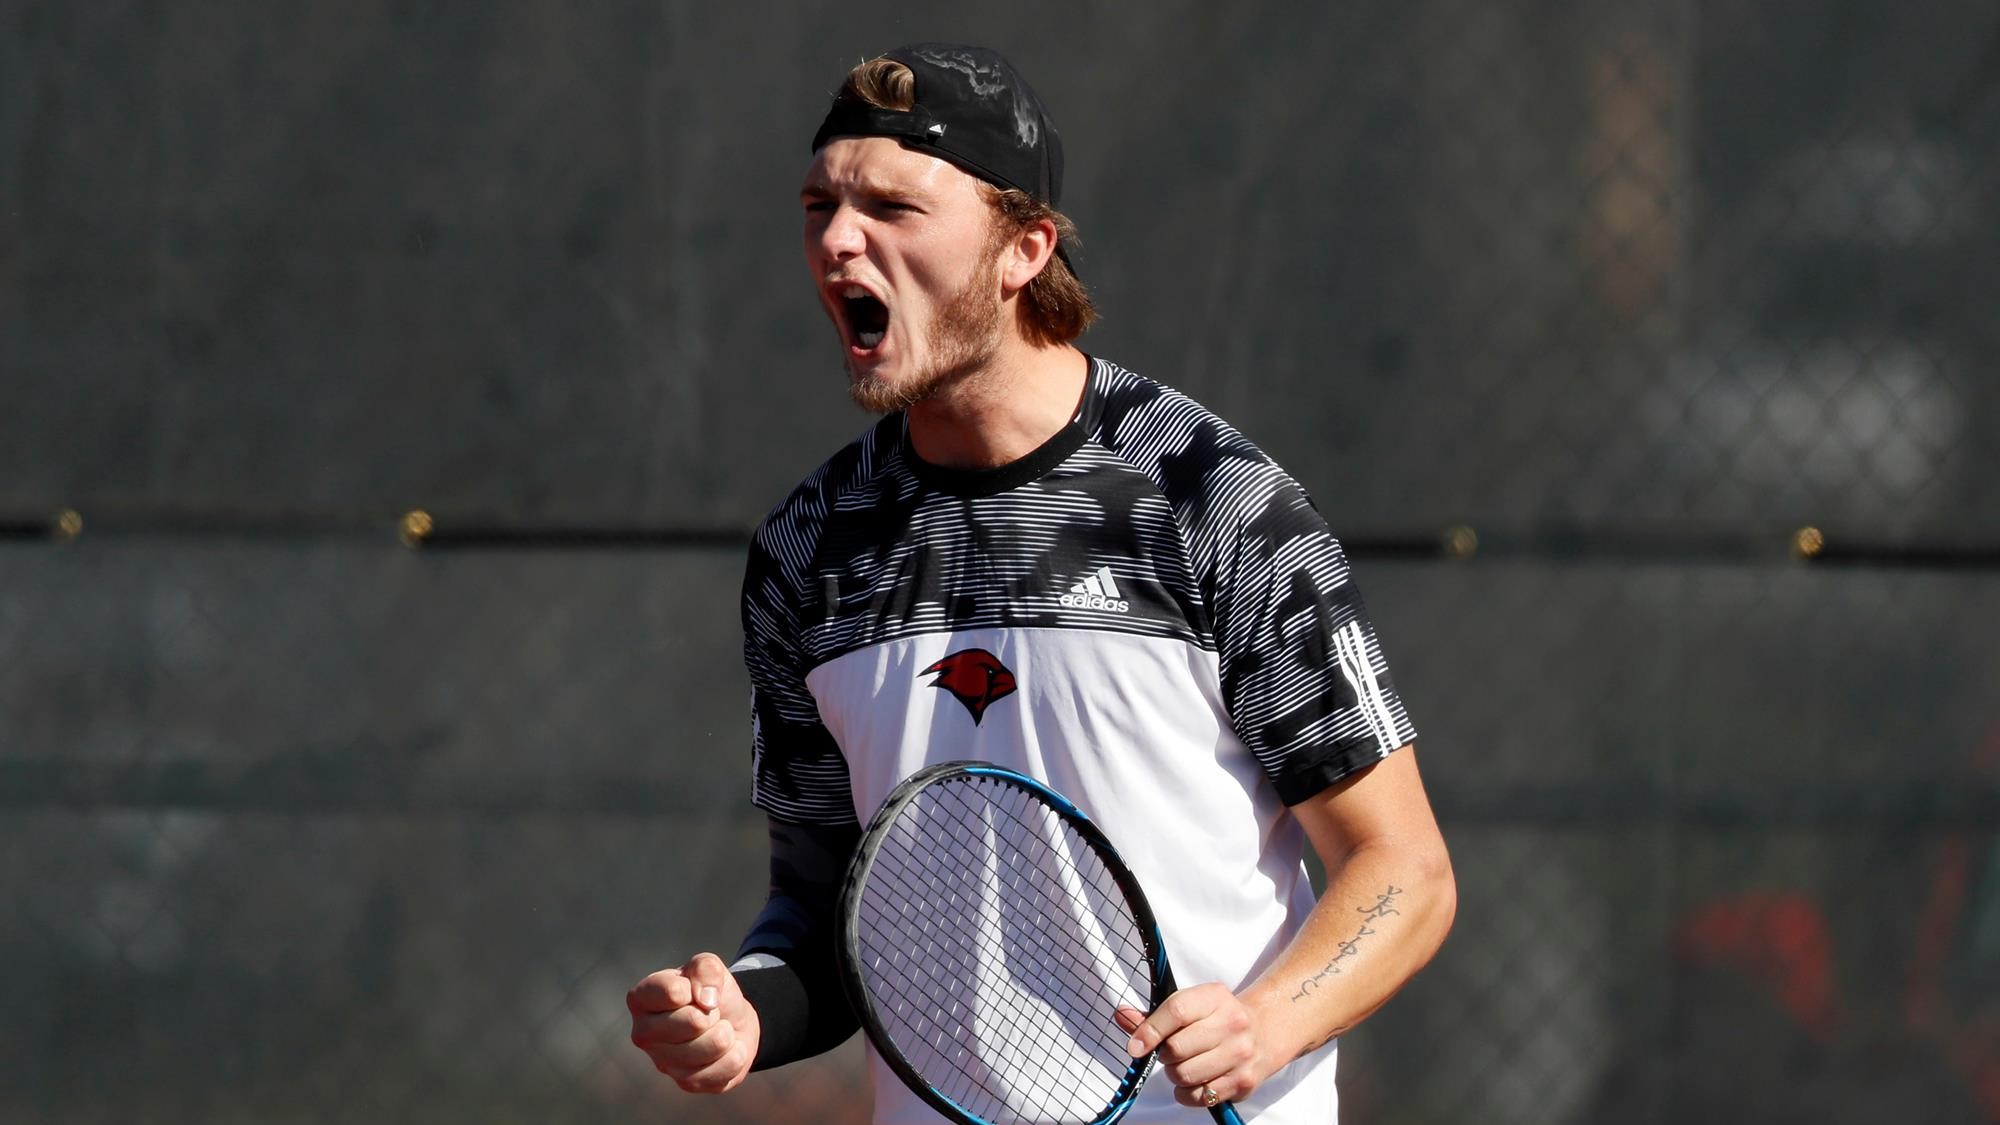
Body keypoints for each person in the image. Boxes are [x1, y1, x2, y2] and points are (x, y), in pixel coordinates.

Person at [629, 43, 1455, 1123]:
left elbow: (1401, 871)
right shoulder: (809, 547)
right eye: (818, 204)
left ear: (1024, 250)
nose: (837, 240)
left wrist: (1271, 1020)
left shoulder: (1212, 502)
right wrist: (744, 1010)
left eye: (892, 206)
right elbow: (823, 907)